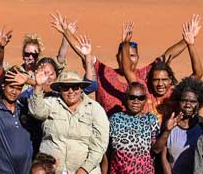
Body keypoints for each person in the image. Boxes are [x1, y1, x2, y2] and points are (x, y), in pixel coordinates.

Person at [51, 13, 193, 116]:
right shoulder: (104, 72)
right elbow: (84, 52)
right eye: (125, 55)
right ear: (117, 57)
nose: (129, 59)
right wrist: (66, 32)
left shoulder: (146, 73)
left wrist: (187, 41)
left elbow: (167, 55)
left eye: (133, 56)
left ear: (138, 58)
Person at [28, 69, 109, 174]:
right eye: (66, 88)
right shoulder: (52, 103)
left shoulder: (95, 109)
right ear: (60, 89)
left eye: (75, 87)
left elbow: (100, 145)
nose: (71, 91)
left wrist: (85, 168)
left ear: (81, 88)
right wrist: (38, 86)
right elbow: (37, 112)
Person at [119, 15, 203, 120]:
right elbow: (127, 70)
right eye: (156, 80)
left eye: (164, 80)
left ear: (170, 80)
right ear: (150, 81)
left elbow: (198, 73)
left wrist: (190, 44)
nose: (160, 84)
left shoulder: (176, 92)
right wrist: (125, 44)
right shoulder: (144, 91)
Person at [155, 76, 203, 174]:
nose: (187, 105)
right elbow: (163, 157)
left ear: (199, 103)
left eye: (192, 101)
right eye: (184, 100)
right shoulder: (170, 123)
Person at [104, 82, 160, 174]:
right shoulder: (115, 119)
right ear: (126, 98)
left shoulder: (151, 120)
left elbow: (156, 150)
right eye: (132, 97)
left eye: (140, 98)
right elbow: (107, 154)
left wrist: (167, 130)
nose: (136, 101)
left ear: (145, 100)